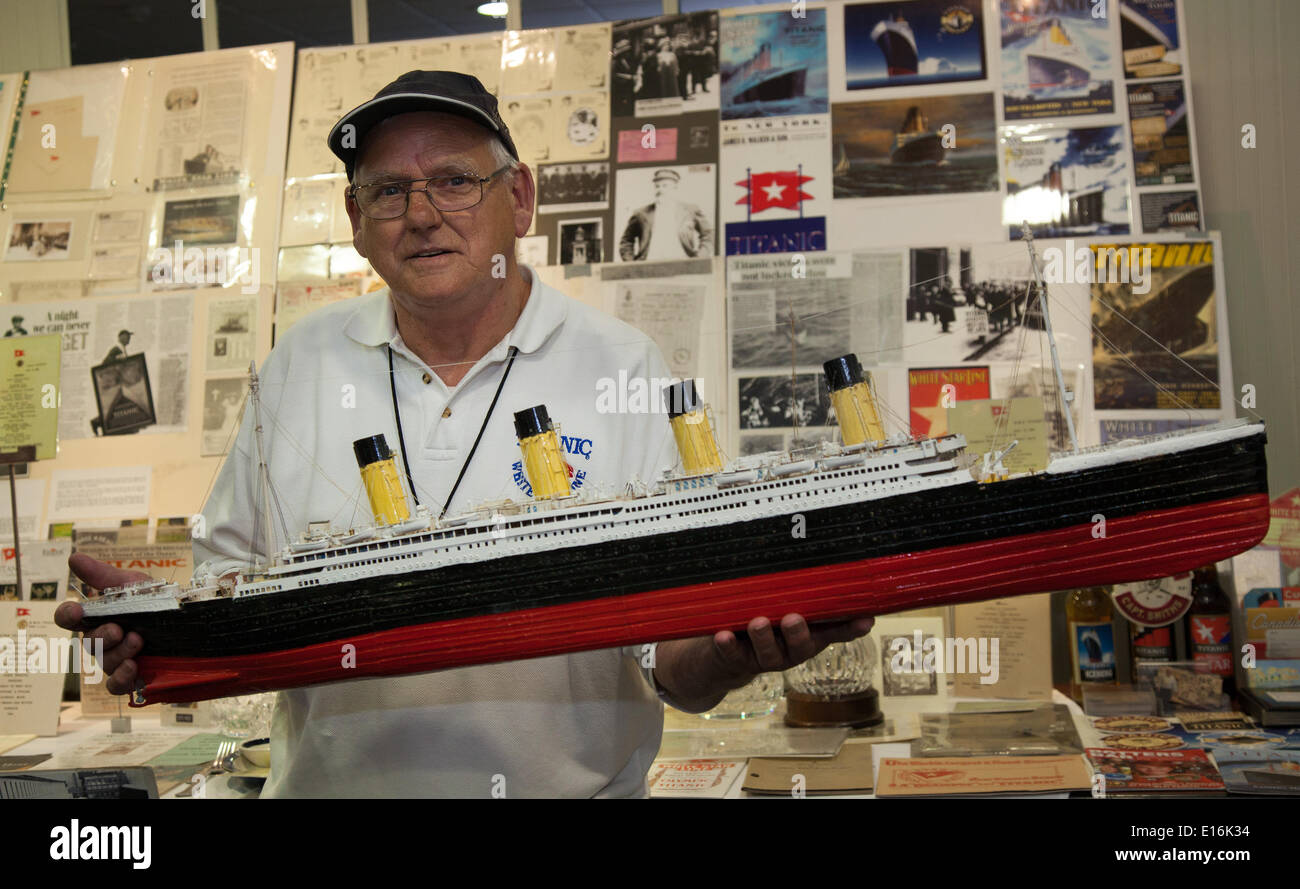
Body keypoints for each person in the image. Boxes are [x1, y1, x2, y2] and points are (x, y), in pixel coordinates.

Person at [58, 70, 872, 798]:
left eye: (453, 181)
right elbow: (228, 605)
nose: (421, 215)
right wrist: (153, 634)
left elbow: (675, 668)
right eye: (388, 191)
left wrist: (735, 652)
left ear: (519, 198)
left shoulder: (625, 366)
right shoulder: (301, 363)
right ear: (354, 217)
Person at [619, 168, 713, 261]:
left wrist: (700, 258)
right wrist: (632, 265)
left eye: (665, 186)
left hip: (683, 264)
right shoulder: (641, 213)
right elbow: (626, 241)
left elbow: (708, 234)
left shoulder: (690, 210)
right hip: (649, 267)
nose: (660, 190)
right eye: (657, 186)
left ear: (675, 188)